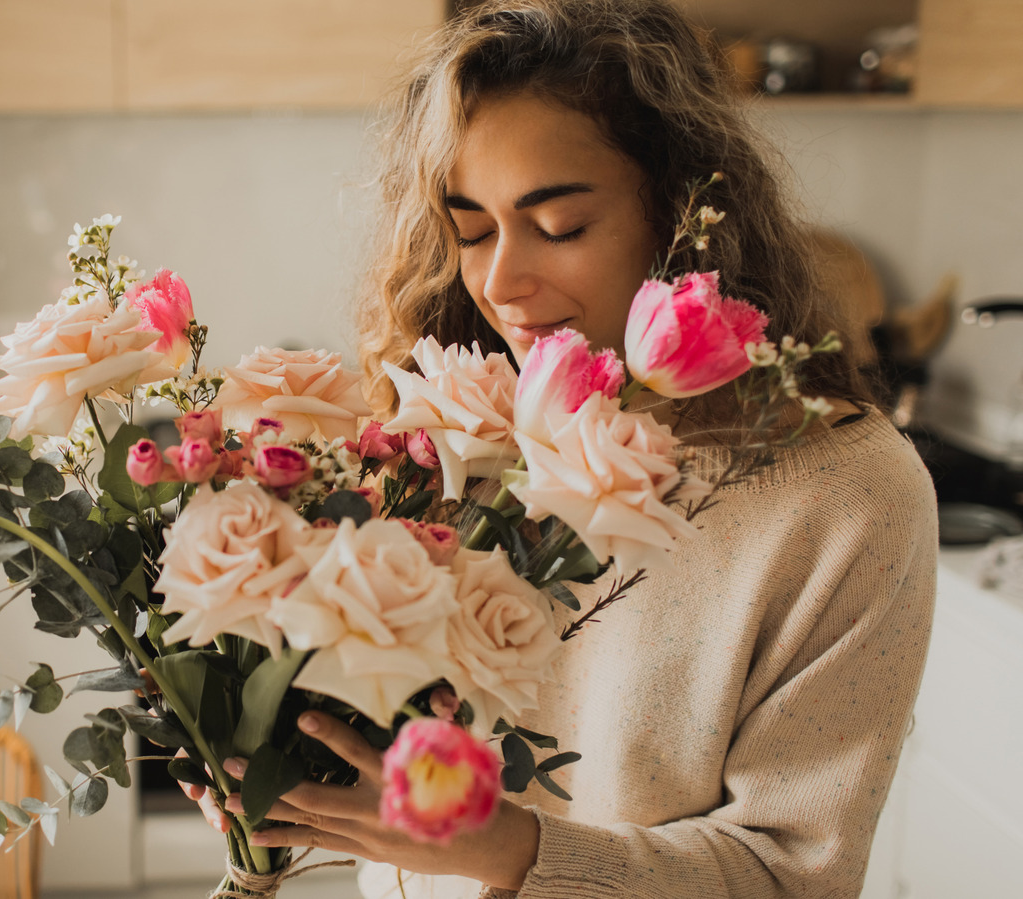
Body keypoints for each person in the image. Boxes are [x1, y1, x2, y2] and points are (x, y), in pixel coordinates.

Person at [184, 2, 938, 897]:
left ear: (684, 216)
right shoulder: (457, 434)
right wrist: (277, 762)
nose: (501, 282)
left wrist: (509, 849)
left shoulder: (847, 493)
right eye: (470, 231)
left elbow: (791, 875)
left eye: (561, 226)